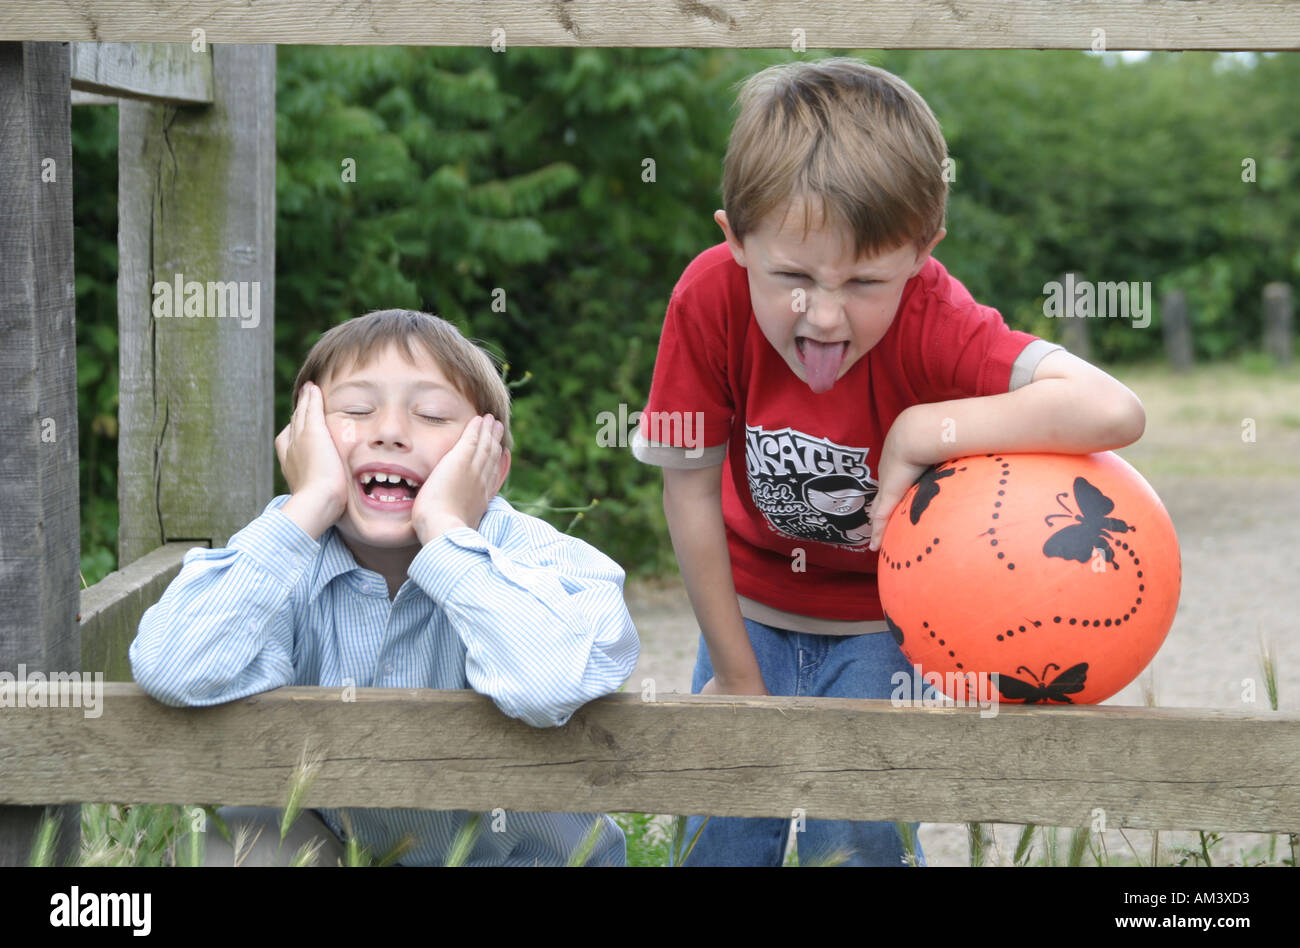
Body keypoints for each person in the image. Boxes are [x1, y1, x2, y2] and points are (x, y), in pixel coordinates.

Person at [632, 58, 1146, 866]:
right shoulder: (708, 297)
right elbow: (689, 493)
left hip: (888, 626)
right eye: (792, 277)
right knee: (726, 826)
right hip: (747, 613)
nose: (826, 315)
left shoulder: (935, 315)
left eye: (865, 279)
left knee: (860, 831)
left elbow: (1114, 410)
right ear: (733, 239)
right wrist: (735, 673)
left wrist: (920, 432)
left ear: (921, 251)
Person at [130, 308, 640, 866]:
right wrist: (309, 504)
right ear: (303, 443)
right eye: (355, 409)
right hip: (339, 852)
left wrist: (446, 531)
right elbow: (172, 668)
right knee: (225, 854)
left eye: (430, 414)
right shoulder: (280, 556)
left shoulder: (552, 562)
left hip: (519, 860)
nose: (391, 432)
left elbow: (544, 684)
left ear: (490, 469)